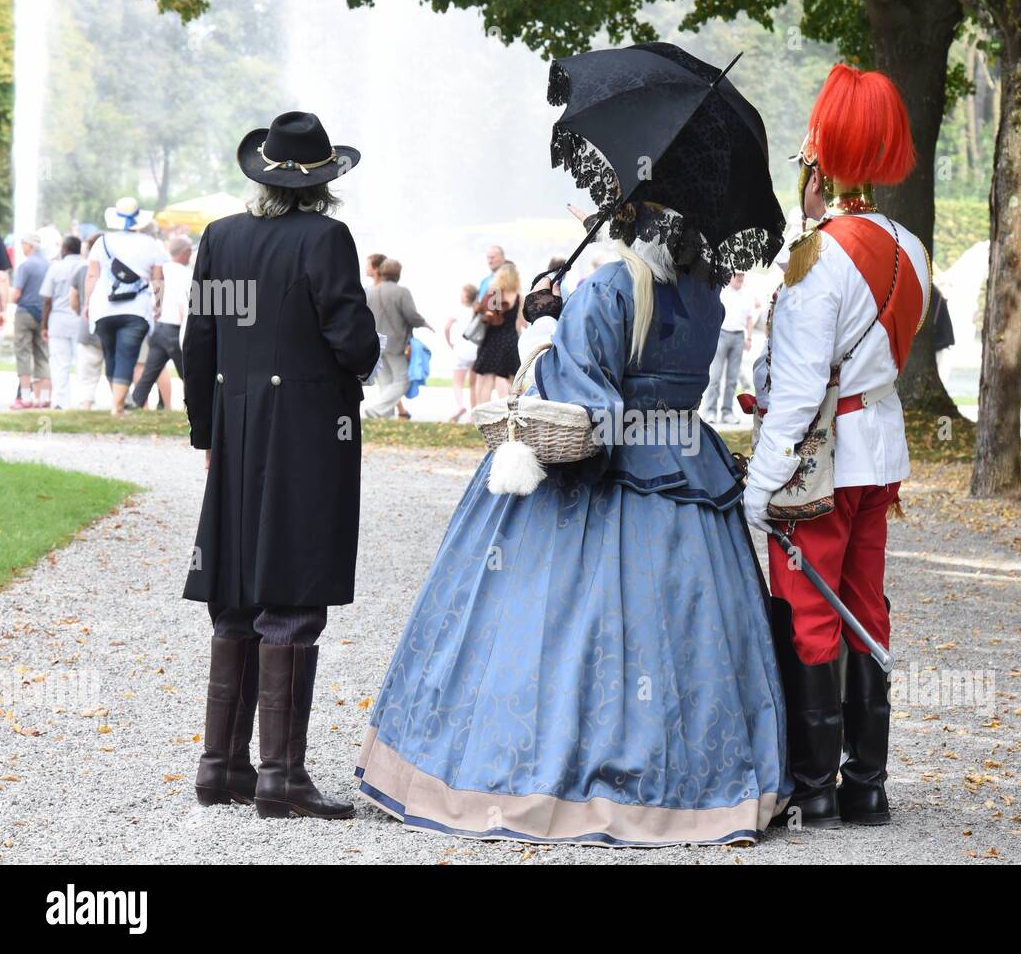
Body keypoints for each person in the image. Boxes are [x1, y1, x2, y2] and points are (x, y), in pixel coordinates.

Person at [358, 195, 789, 845]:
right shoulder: (704, 291)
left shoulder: (613, 287)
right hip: (685, 462)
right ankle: (706, 785)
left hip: (612, 474)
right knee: (692, 629)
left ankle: (563, 779)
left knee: (564, 627)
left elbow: (581, 403)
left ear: (632, 214)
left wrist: (545, 330)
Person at [743, 65, 931, 829]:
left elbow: (794, 391)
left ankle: (814, 783)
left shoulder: (812, 257)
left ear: (821, 163)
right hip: (878, 450)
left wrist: (762, 480)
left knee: (807, 608)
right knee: (864, 607)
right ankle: (868, 785)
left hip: (818, 458)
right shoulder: (909, 246)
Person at [184, 112, 380, 821]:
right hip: (304, 430)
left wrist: (208, 431)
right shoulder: (326, 237)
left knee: (236, 590)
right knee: (293, 594)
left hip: (236, 427)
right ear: (322, 183)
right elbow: (352, 337)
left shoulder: (220, 237)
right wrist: (363, 356)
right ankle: (280, 775)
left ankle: (222, 765)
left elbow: (196, 341)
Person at [81, 198, 168, 416]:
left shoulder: (102, 242)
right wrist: (158, 304)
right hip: (136, 310)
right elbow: (158, 279)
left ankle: (117, 403)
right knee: (127, 356)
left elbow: (92, 275)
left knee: (111, 355)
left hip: (103, 307)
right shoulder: (150, 244)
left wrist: (87, 303)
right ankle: (117, 407)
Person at [362, 257, 429, 419]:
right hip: (395, 343)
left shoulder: (369, 291)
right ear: (398, 273)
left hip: (376, 341)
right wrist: (424, 323)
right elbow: (411, 316)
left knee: (385, 380)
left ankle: (384, 415)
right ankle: (377, 409)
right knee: (403, 379)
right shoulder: (401, 292)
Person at [132, 234, 193, 410]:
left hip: (158, 329)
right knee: (189, 375)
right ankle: (196, 408)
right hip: (175, 330)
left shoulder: (160, 270)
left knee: (149, 375)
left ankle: (135, 404)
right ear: (186, 253)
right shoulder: (188, 275)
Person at [702, 270, 757, 424]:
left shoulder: (747, 294)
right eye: (737, 275)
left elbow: (750, 318)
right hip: (722, 335)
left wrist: (749, 338)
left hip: (739, 336)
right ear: (731, 276)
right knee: (715, 376)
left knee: (732, 379)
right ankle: (710, 410)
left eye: (742, 275)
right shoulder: (724, 292)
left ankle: (727, 411)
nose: (739, 278)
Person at [40, 236, 84, 409]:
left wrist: (44, 325)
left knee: (59, 364)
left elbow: (47, 300)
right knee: (82, 363)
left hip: (58, 319)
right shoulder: (86, 266)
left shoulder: (55, 268)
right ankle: (83, 402)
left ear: (65, 249)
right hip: (80, 319)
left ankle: (59, 402)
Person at [471, 260, 523, 402]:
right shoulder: (518, 297)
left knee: (487, 380)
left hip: (493, 340)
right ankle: (516, 414)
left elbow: (487, 316)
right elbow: (523, 323)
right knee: (514, 381)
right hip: (511, 340)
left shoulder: (495, 293)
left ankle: (482, 418)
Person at [11, 233, 50, 409]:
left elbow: (16, 294)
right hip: (43, 314)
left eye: (23, 244)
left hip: (25, 312)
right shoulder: (48, 265)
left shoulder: (25, 266)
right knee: (42, 354)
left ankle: (25, 398)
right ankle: (45, 397)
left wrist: (13, 299)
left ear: (29, 246)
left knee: (23, 354)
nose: (22, 248)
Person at [72, 234, 104, 409]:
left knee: (87, 371)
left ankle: (86, 404)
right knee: (115, 367)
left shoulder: (82, 271)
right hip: (111, 323)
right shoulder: (113, 268)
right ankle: (120, 403)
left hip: (87, 323)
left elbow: (73, 298)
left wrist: (80, 310)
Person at [442, 283, 478, 422]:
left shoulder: (457, 309)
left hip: (461, 350)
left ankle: (460, 406)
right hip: (476, 350)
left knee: (457, 382)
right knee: (474, 384)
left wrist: (449, 343)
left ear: (465, 295)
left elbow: (446, 328)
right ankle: (474, 414)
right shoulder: (477, 309)